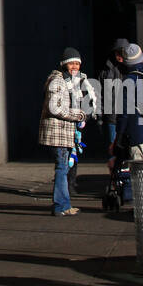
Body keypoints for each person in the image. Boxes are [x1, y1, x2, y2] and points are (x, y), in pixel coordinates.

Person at [39, 47, 97, 217]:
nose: (74, 66)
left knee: (63, 168)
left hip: (65, 133)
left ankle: (64, 205)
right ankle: (60, 206)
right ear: (64, 64)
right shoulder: (57, 81)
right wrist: (78, 115)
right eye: (71, 63)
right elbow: (54, 108)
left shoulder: (70, 81)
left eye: (77, 64)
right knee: (62, 168)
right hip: (58, 133)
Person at [98, 37, 129, 150]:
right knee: (114, 151)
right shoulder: (106, 71)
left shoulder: (133, 69)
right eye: (118, 52)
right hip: (112, 117)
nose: (120, 55)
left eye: (123, 52)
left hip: (129, 117)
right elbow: (100, 95)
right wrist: (100, 117)